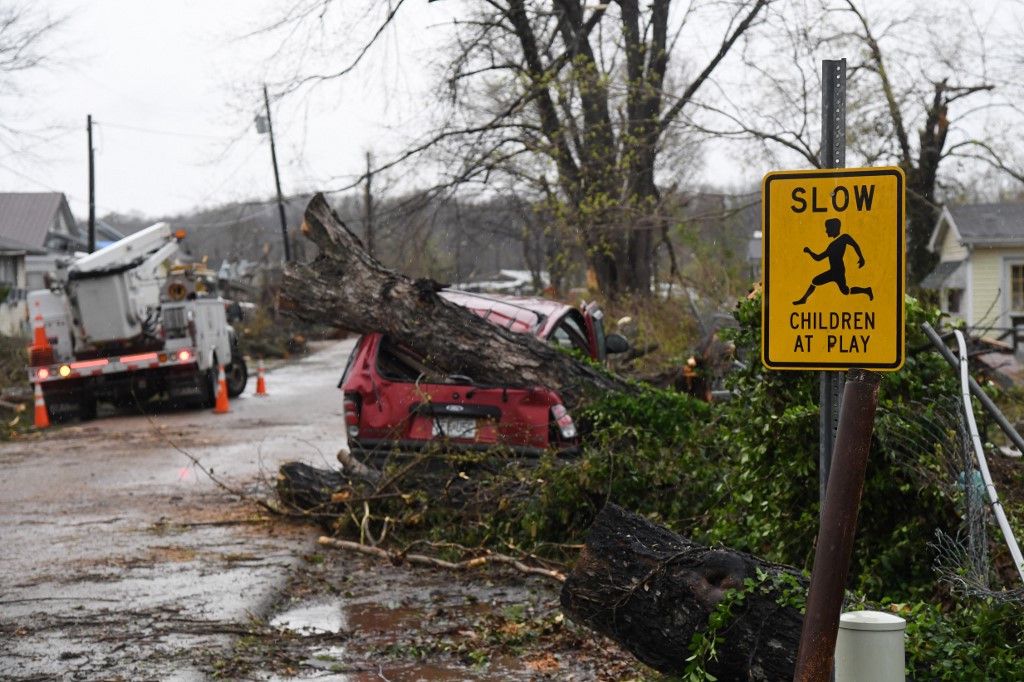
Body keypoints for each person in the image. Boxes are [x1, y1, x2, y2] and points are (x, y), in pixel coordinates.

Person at [793, 217, 873, 305]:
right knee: (818, 282)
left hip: (838, 271)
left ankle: (866, 290)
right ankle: (867, 290)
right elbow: (819, 258)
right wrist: (810, 252)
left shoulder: (843, 238)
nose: (826, 231)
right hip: (834, 271)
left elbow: (855, 245)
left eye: (827, 229)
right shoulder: (832, 245)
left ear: (834, 228)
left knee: (844, 291)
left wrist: (861, 258)